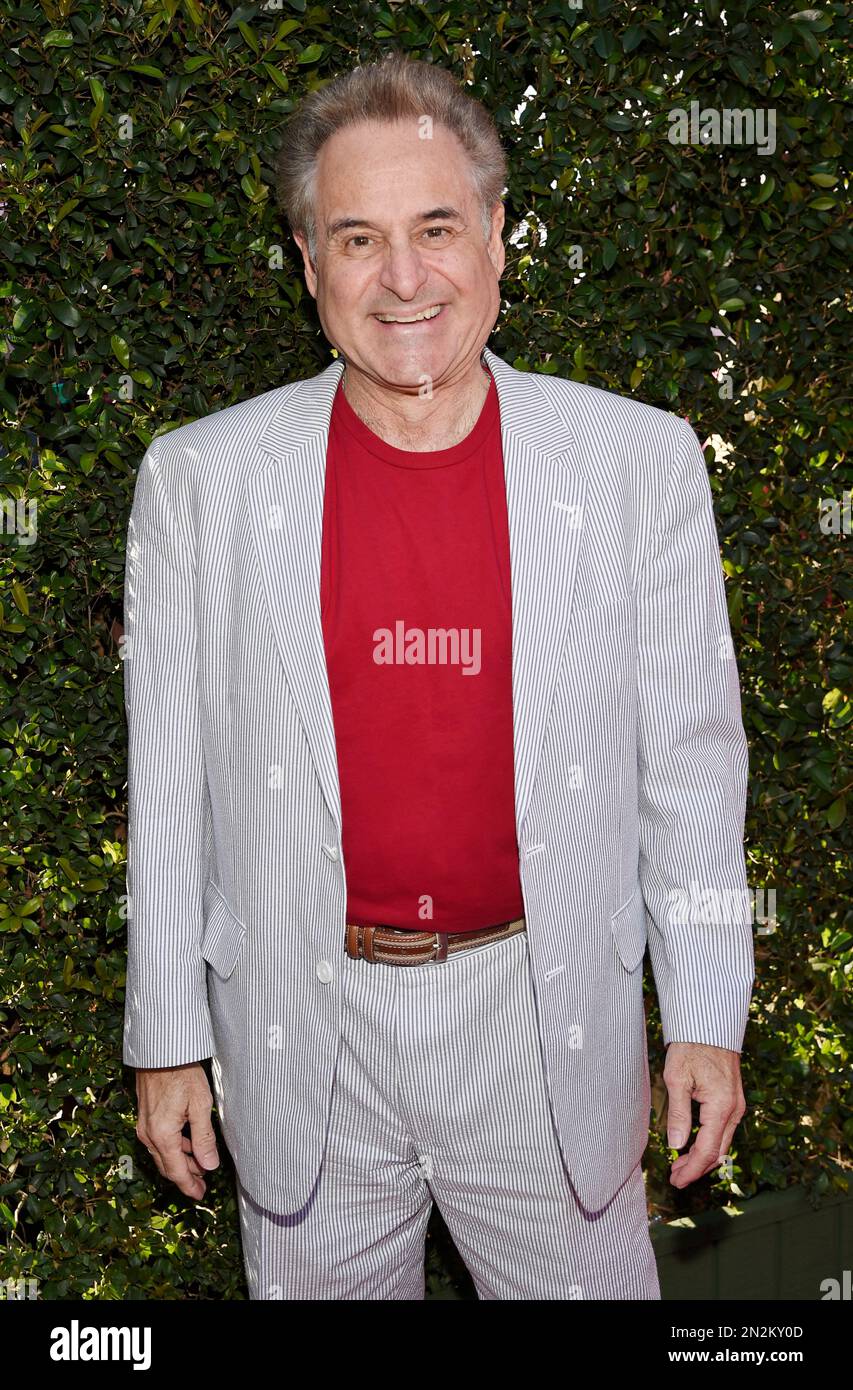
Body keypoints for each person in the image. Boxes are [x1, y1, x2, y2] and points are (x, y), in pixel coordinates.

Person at [122, 51, 754, 1300]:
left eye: (435, 228)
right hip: (307, 1036)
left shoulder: (638, 463)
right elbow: (170, 780)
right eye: (356, 238)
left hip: (541, 1024)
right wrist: (168, 1040)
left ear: (498, 240)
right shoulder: (204, 478)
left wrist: (704, 1013)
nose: (402, 279)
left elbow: (689, 758)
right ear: (308, 265)